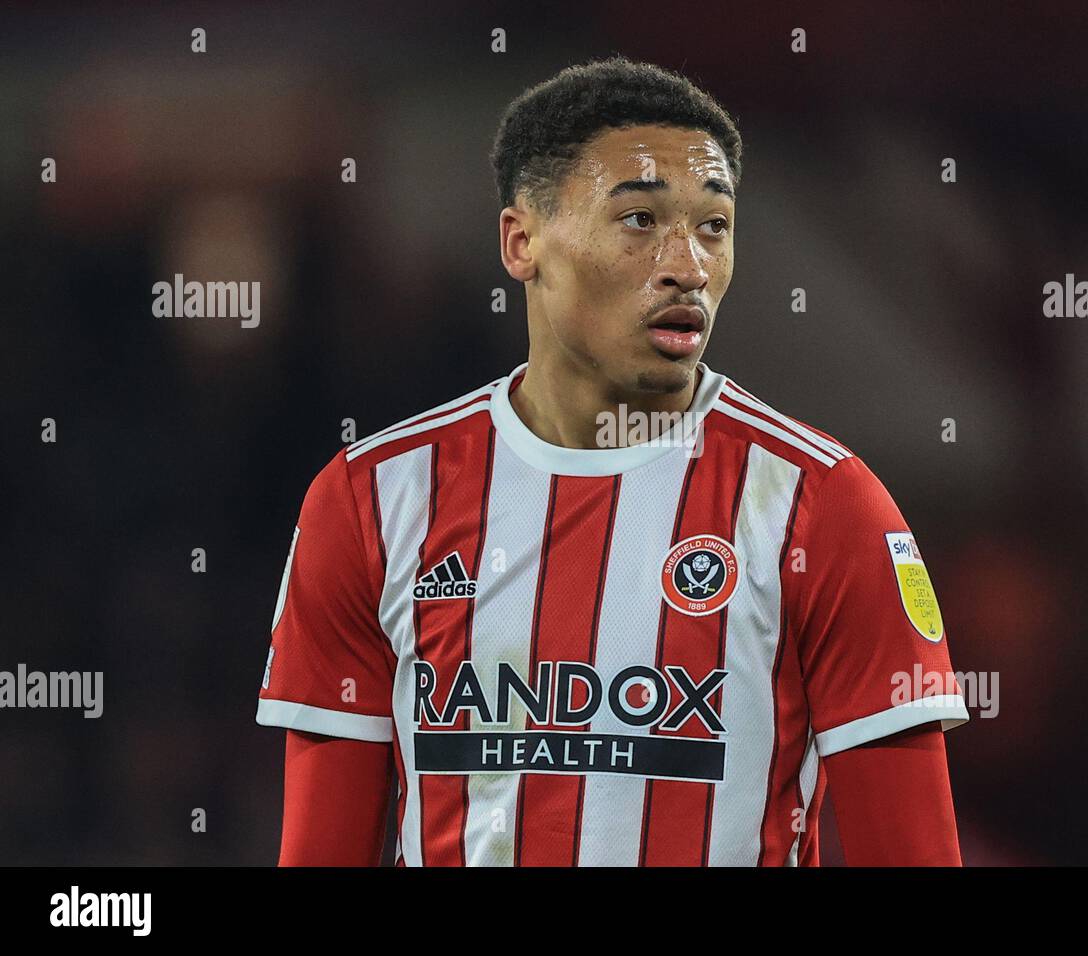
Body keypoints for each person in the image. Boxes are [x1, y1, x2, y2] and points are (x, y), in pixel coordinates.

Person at [256, 56, 969, 866]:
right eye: (640, 220)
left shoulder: (824, 508)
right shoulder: (372, 502)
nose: (688, 267)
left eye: (714, 226)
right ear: (522, 242)